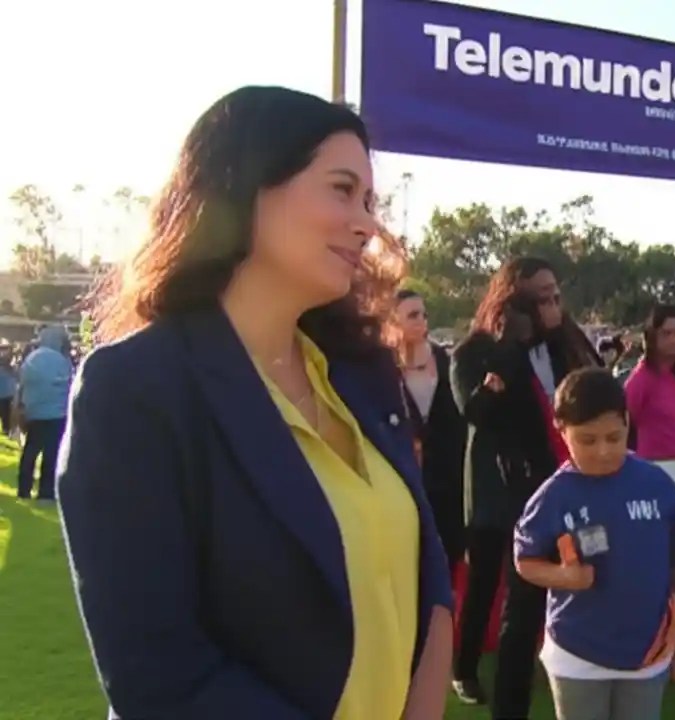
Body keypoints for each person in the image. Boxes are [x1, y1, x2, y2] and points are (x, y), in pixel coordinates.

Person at [57, 87, 454, 719]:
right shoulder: (136, 390)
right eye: (342, 189)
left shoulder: (364, 373)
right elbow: (159, 676)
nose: (369, 223)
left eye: (370, 200)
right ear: (247, 186)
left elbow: (427, 568)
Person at [449, 256, 600, 714]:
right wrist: (509, 354)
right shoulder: (476, 352)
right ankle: (467, 670)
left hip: (555, 490)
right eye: (543, 298)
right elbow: (474, 413)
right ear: (517, 302)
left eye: (557, 295)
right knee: (489, 592)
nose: (555, 305)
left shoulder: (562, 346)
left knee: (528, 605)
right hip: (501, 496)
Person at [513, 368, 675, 720]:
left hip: (646, 653)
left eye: (614, 437)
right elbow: (525, 560)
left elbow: (673, 556)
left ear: (626, 423)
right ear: (562, 431)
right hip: (578, 652)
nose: (604, 451)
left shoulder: (657, 484)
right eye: (588, 441)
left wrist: (672, 612)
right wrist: (565, 577)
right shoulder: (554, 495)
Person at [395, 289, 467, 574]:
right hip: (406, 480)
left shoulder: (446, 360)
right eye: (412, 315)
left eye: (424, 314)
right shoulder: (383, 367)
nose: (421, 321)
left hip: (448, 480)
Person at [624, 304, 675, 459]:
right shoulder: (642, 378)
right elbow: (621, 420)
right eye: (666, 334)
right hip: (653, 467)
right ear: (653, 336)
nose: (673, 340)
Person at [16, 325, 72, 500]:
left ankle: (24, 489)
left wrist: (23, 406)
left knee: (30, 453)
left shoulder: (32, 358)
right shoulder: (61, 361)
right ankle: (46, 492)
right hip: (56, 415)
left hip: (34, 413)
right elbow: (67, 385)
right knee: (52, 454)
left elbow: (22, 383)